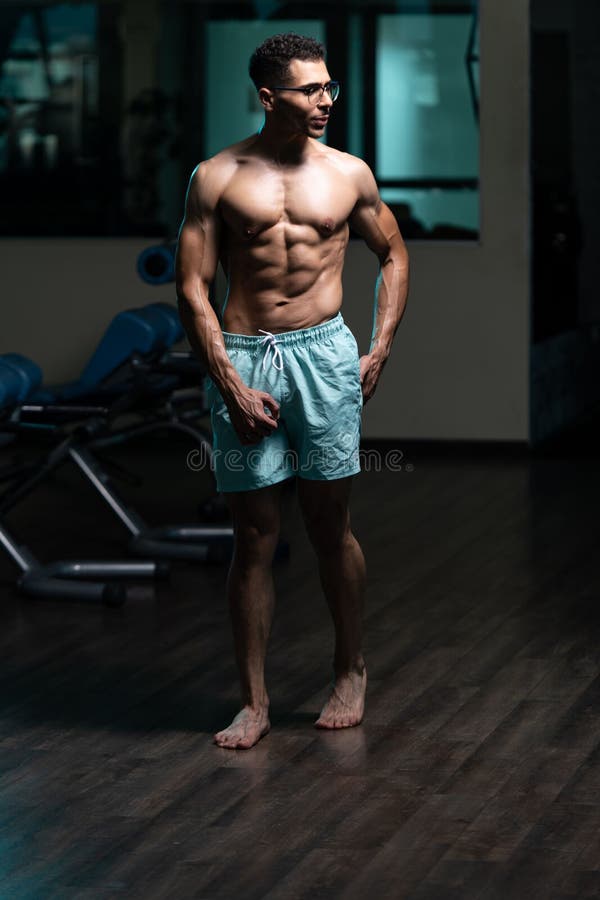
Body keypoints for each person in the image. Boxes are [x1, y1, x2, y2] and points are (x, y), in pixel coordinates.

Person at [175, 33, 409, 749]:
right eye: (310, 89)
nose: (326, 100)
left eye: (329, 86)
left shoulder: (348, 174)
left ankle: (351, 668)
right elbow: (191, 288)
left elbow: (394, 253)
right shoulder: (217, 177)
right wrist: (229, 383)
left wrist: (379, 347)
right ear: (268, 95)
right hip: (246, 356)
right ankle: (253, 702)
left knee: (328, 525)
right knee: (253, 535)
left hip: (324, 354)